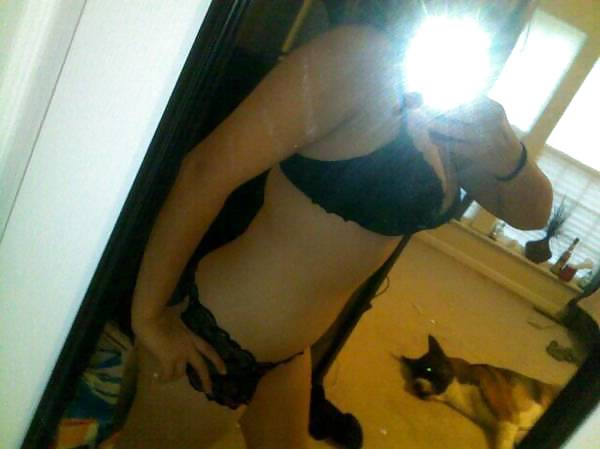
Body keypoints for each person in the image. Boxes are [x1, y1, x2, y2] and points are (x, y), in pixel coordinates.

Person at [116, 1, 553, 448]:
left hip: (291, 350)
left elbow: (531, 215)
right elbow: (205, 172)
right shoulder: (357, 56)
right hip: (221, 335)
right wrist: (147, 317)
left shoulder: (454, 112)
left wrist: (508, 152)